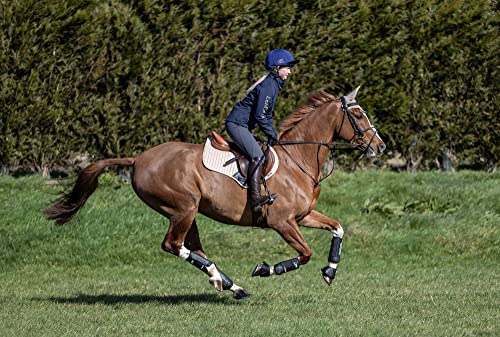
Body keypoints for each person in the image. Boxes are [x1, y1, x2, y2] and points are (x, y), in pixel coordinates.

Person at [225, 49, 299, 226]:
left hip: (243, 126)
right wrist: (272, 134)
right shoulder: (269, 86)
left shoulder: (273, 84)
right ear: (276, 67)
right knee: (257, 156)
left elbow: (266, 115)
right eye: (287, 68)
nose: (289, 72)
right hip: (236, 124)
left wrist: (271, 134)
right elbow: (261, 116)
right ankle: (256, 199)